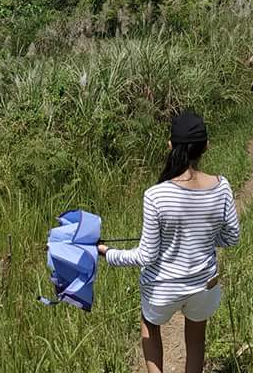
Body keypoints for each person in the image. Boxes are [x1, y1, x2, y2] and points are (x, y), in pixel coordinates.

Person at [99, 112, 240, 373]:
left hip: (161, 290)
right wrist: (206, 237)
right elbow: (232, 237)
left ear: (170, 145)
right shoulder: (222, 187)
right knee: (196, 341)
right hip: (204, 287)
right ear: (206, 146)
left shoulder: (156, 194)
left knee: (150, 326)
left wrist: (108, 253)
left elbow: (146, 256)